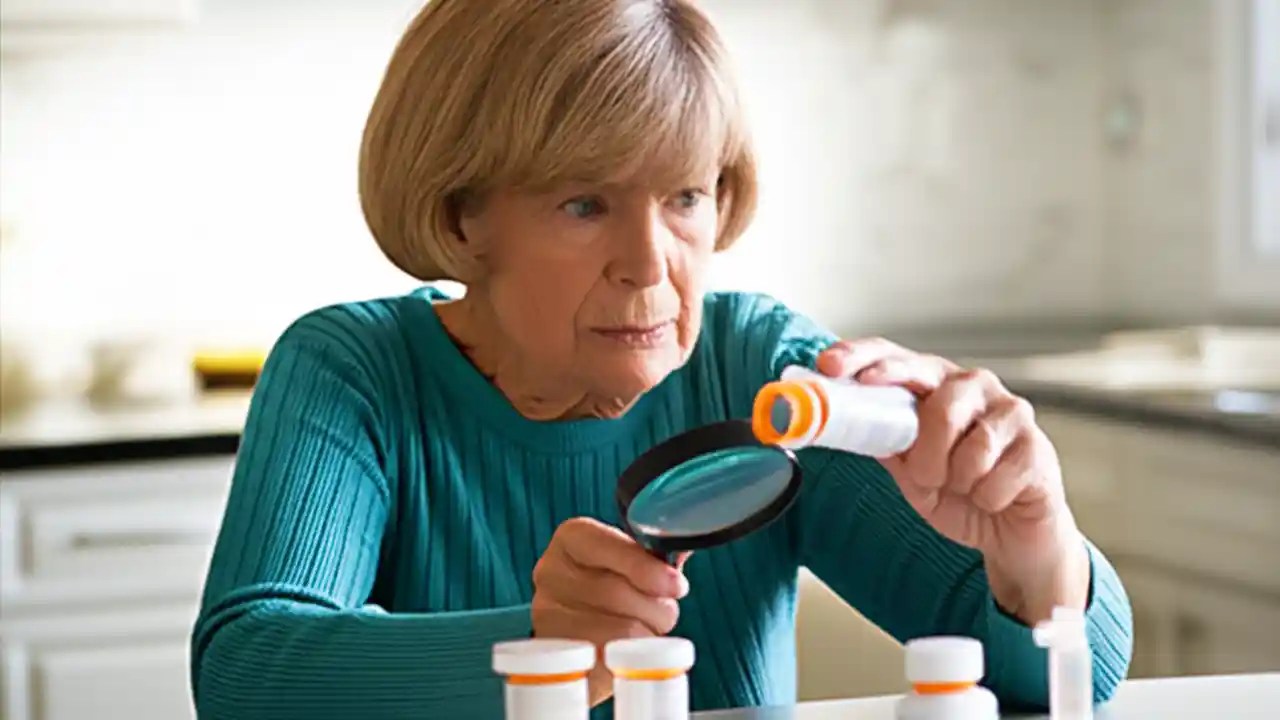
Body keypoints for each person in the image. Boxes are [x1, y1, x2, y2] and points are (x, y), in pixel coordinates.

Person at [189, 1, 1133, 718]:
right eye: (584, 205)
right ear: (461, 215)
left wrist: (1036, 550)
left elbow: (1072, 683)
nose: (650, 265)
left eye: (685, 197)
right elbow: (245, 671)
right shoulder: (354, 370)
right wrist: (541, 645)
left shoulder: (760, 367)